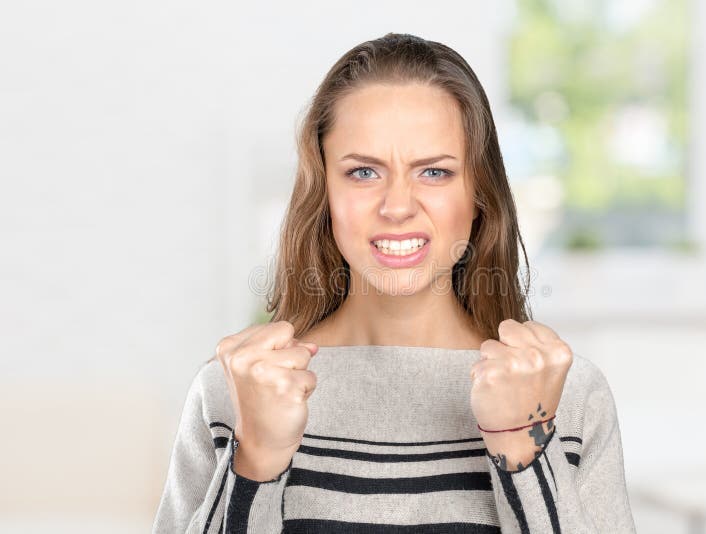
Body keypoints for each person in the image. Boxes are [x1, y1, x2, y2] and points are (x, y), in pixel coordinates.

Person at [152, 32, 636, 533]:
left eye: (434, 172)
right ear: (324, 193)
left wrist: (524, 452)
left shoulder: (568, 397)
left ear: (479, 194)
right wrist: (254, 465)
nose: (398, 206)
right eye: (363, 172)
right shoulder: (232, 393)